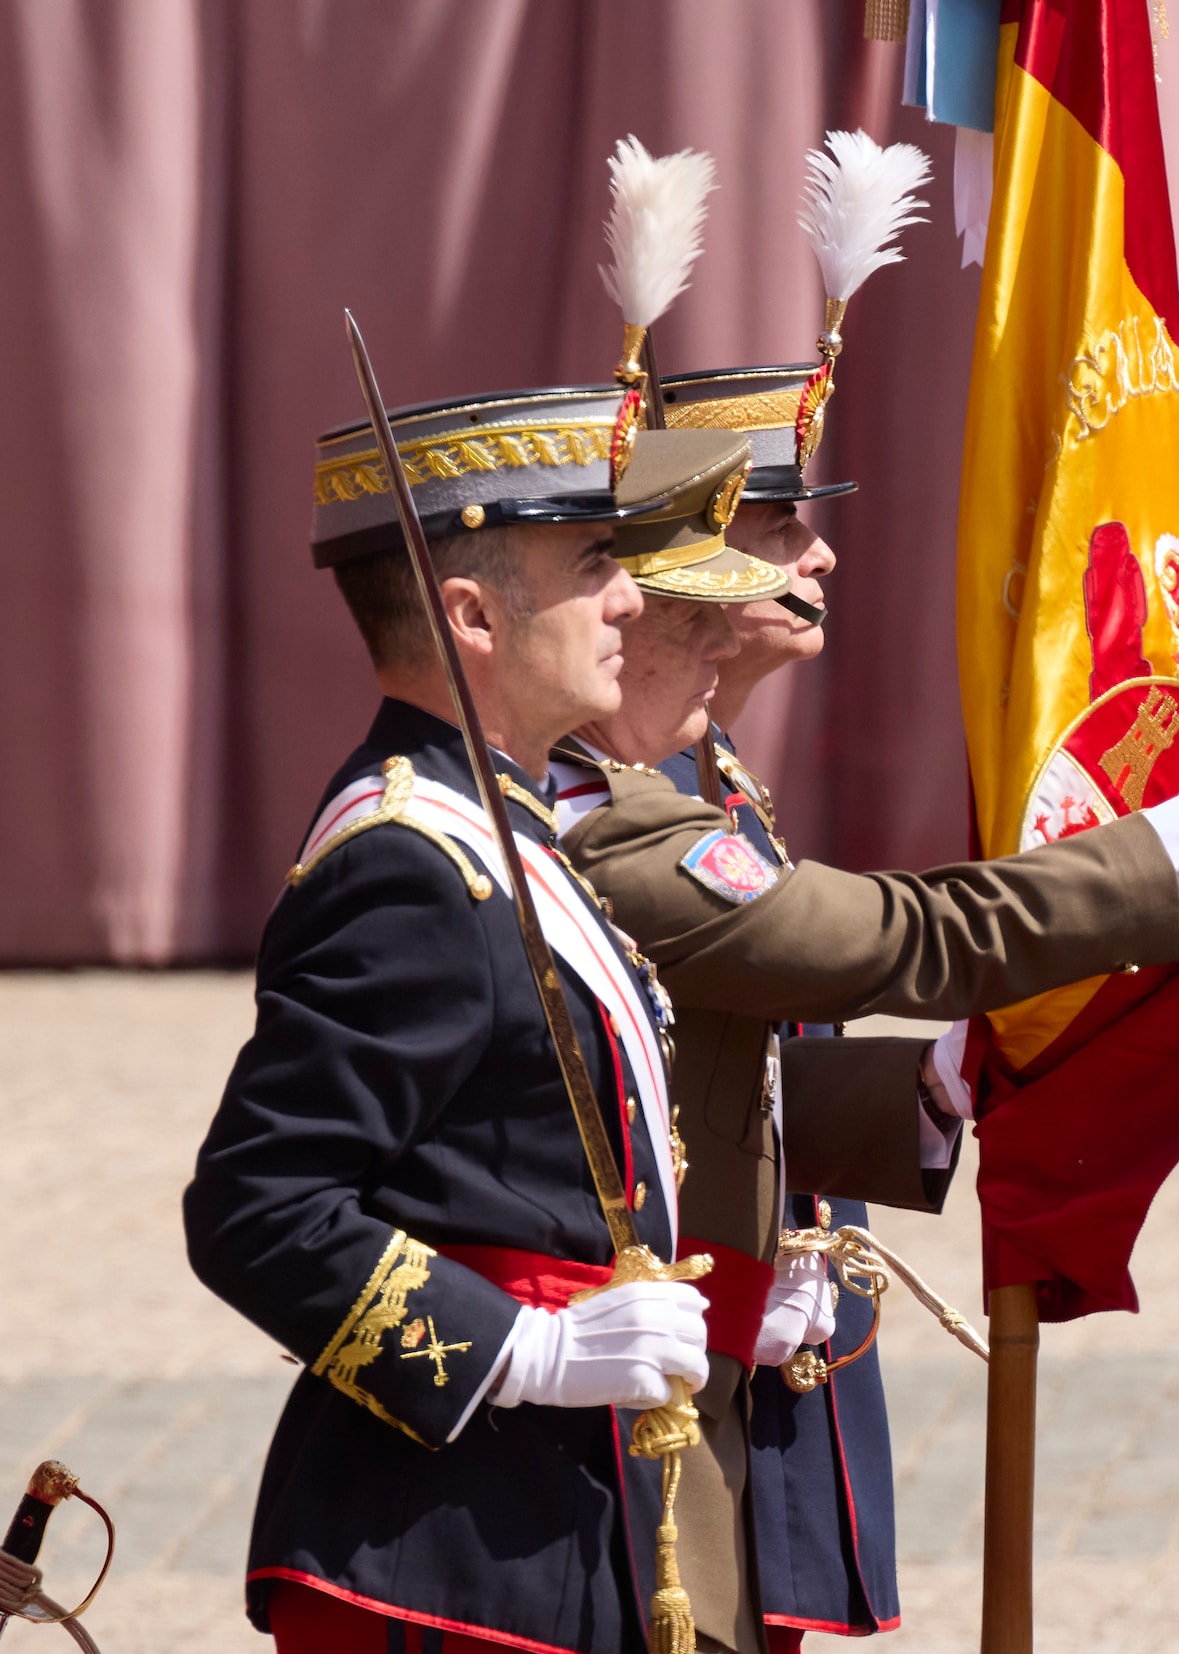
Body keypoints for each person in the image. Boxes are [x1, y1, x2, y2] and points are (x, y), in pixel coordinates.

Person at [551, 363, 1179, 1651]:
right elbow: (896, 940)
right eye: (769, 543)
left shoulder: (696, 774)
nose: (815, 562)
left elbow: (682, 1071)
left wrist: (918, 1089)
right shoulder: (607, 813)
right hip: (627, 1397)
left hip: (732, 1361)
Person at [184, 387, 801, 1651]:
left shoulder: (509, 821)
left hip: (553, 1526)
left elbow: (527, 1168)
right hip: (446, 1551)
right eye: (589, 565)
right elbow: (258, 1202)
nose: (631, 596)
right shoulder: (408, 858)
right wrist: (516, 1350)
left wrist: (723, 1295)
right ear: (469, 612)